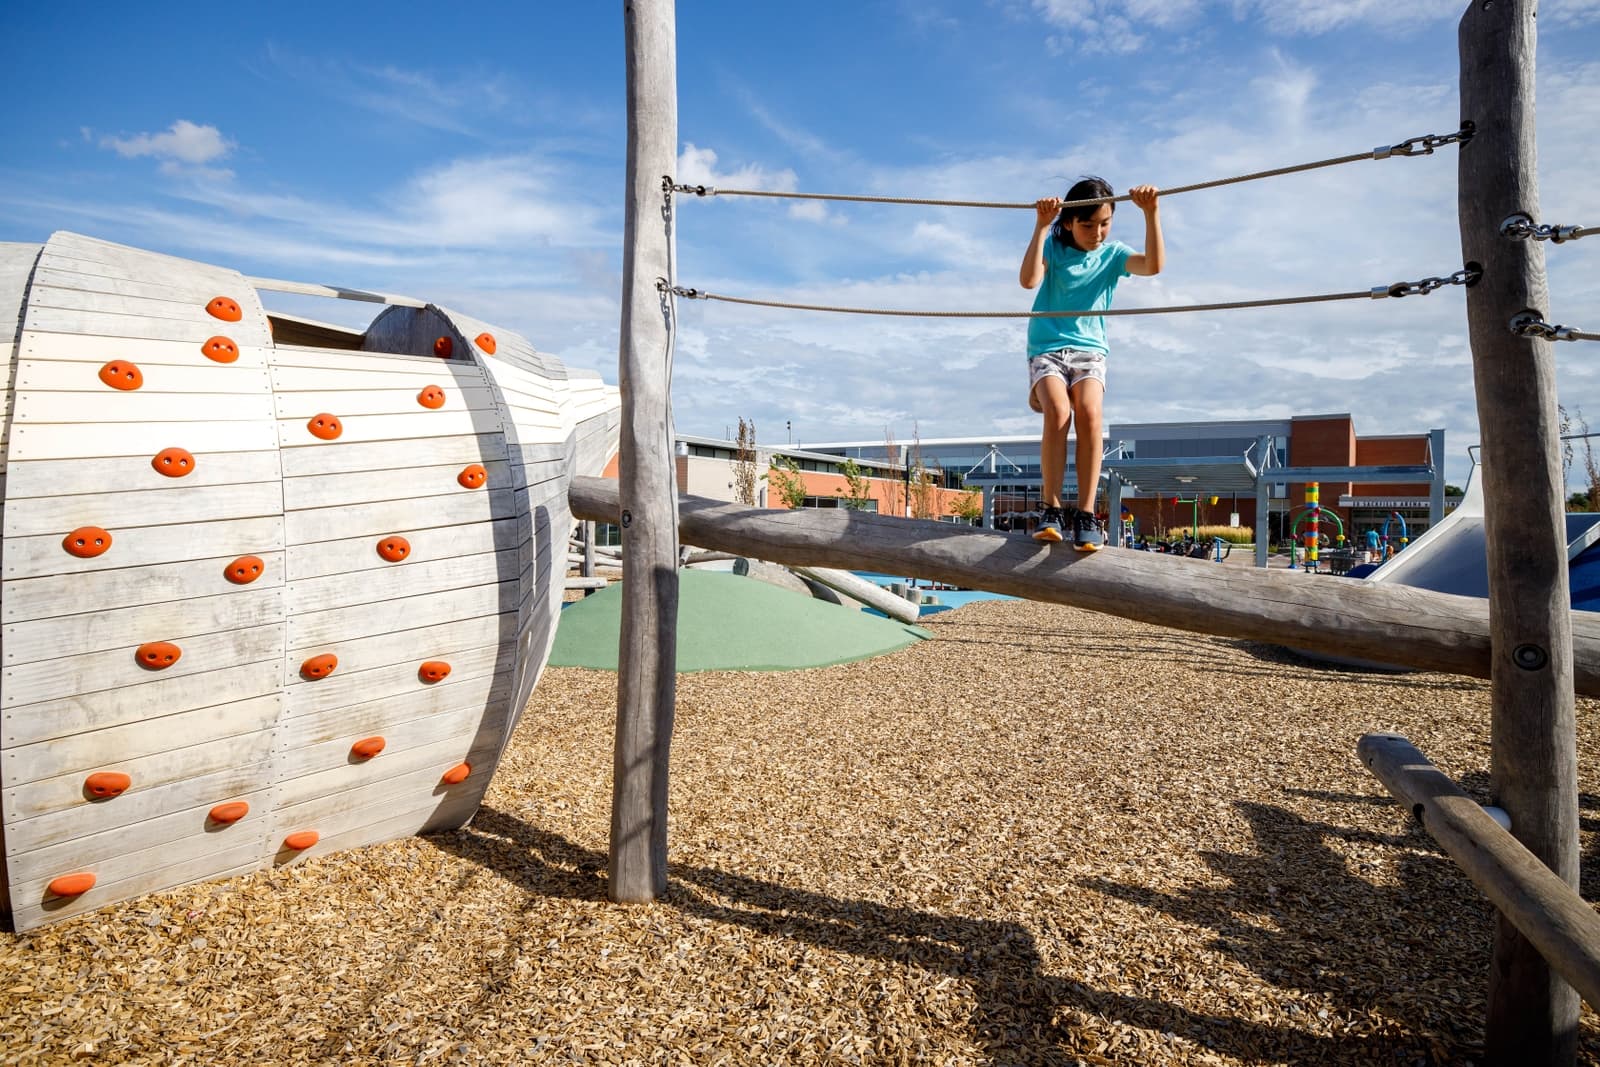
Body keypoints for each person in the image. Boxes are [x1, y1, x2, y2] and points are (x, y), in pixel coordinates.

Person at [1020, 177, 1165, 549]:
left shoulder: (1113, 255)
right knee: (1058, 412)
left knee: (1089, 414)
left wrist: (1151, 213)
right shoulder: (1053, 245)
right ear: (1068, 222)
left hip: (1090, 350)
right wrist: (1039, 225)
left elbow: (1152, 266)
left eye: (1105, 223)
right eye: (1087, 224)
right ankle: (1051, 508)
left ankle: (1086, 514)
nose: (1097, 232)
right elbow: (1028, 280)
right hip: (1048, 346)